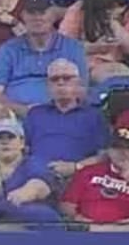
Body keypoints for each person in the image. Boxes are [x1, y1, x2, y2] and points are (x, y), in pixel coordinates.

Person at [0, 0, 90, 127]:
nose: (37, 18)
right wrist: (23, 110)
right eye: (31, 13)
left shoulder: (72, 48)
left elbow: (81, 90)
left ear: (53, 14)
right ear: (23, 15)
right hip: (17, 114)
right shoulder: (8, 49)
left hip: (60, 110)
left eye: (42, 12)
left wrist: (52, 107)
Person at [60, 126, 129, 231]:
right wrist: (79, 219)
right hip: (88, 234)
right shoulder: (88, 172)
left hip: (127, 237)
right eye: (119, 150)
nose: (125, 154)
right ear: (110, 151)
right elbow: (67, 206)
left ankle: (104, 230)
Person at [23, 57, 109, 186]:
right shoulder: (35, 114)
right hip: (37, 176)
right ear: (48, 85)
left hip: (79, 178)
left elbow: (104, 156)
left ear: (78, 83)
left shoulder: (94, 116)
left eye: (67, 78)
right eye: (55, 79)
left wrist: (76, 167)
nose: (61, 83)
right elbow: (22, 150)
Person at [57, 0, 129, 82]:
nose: (109, 11)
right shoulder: (78, 10)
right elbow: (64, 47)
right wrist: (95, 47)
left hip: (118, 64)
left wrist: (114, 24)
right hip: (85, 64)